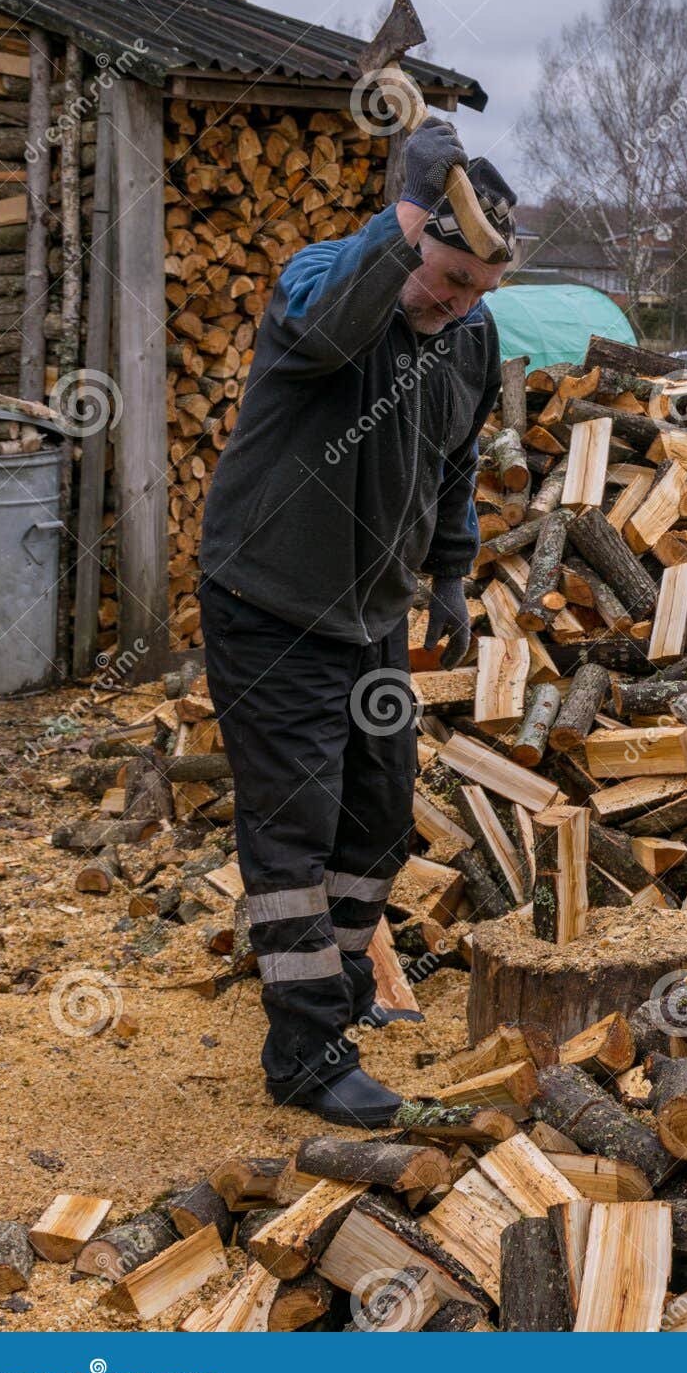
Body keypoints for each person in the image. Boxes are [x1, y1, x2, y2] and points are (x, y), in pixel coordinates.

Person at [198, 115, 514, 1126]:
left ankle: (330, 1000)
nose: (455, 303)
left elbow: (455, 461)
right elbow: (332, 331)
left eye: (475, 292)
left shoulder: (468, 333)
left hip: (370, 615)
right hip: (271, 603)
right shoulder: (324, 276)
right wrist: (404, 219)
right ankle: (302, 1050)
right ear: (413, 230)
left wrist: (453, 574)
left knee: (374, 819)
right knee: (293, 833)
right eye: (444, 275)